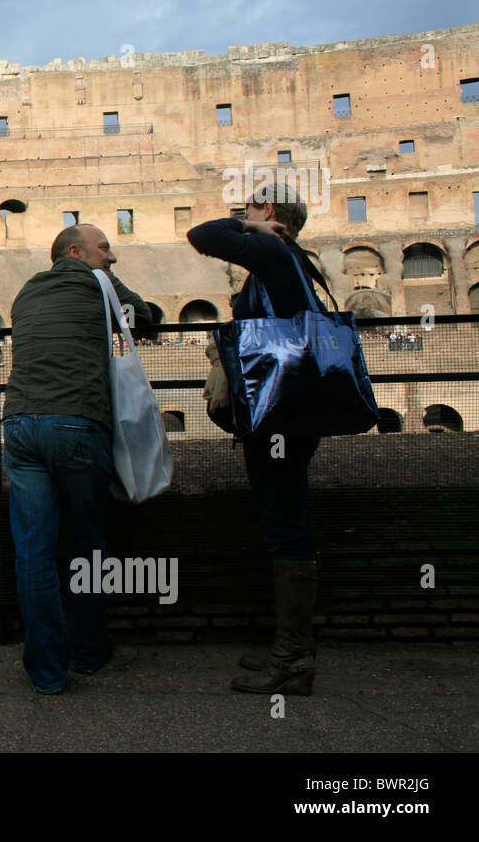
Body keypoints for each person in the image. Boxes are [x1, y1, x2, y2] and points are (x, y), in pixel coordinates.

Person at [3, 223, 152, 694]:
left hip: (20, 424)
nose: (113, 257)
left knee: (33, 553)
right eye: (104, 248)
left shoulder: (26, 291)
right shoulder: (97, 281)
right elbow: (142, 318)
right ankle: (88, 653)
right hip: (76, 422)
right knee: (86, 545)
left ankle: (47, 671)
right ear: (75, 251)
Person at [187, 183, 320, 695]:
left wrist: (251, 227)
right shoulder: (297, 261)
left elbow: (202, 233)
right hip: (294, 409)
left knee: (286, 526)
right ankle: (288, 650)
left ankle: (293, 659)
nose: (242, 213)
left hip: (279, 412)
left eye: (250, 206)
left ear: (269, 211)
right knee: (286, 520)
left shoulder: (272, 247)